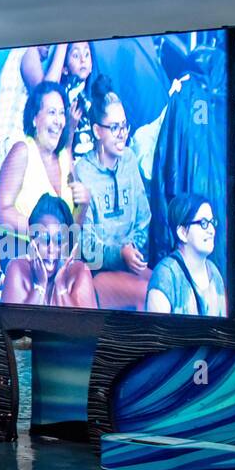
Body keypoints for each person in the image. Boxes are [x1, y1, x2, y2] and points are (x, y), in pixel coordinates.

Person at [74, 83, 152, 310]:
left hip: (130, 263)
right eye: (115, 127)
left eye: (125, 126)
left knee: (167, 288)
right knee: (149, 295)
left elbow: (143, 218)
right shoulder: (82, 172)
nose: (122, 134)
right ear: (97, 131)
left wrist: (132, 253)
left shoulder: (129, 159)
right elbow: (85, 246)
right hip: (99, 272)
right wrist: (119, 254)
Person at [0, 81, 88, 245]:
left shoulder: (65, 157)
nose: (58, 121)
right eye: (52, 112)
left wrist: (83, 206)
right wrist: (40, 232)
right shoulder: (22, 151)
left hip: (58, 255)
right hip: (21, 250)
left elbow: (72, 235)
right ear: (34, 118)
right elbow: (2, 212)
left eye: (61, 113)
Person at [0, 43, 69, 180]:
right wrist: (63, 45)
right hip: (8, 155)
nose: (51, 45)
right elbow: (46, 93)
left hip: (5, 158)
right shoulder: (26, 49)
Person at [1, 195, 96, 307]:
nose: (51, 249)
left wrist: (61, 287)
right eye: (44, 239)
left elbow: (86, 324)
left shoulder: (80, 272)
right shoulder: (17, 269)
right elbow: (13, 323)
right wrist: (40, 286)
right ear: (32, 240)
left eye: (59, 239)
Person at [147, 194, 225, 316]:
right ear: (182, 232)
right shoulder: (166, 276)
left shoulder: (215, 273)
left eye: (211, 222)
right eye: (203, 223)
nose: (211, 230)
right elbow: (157, 332)